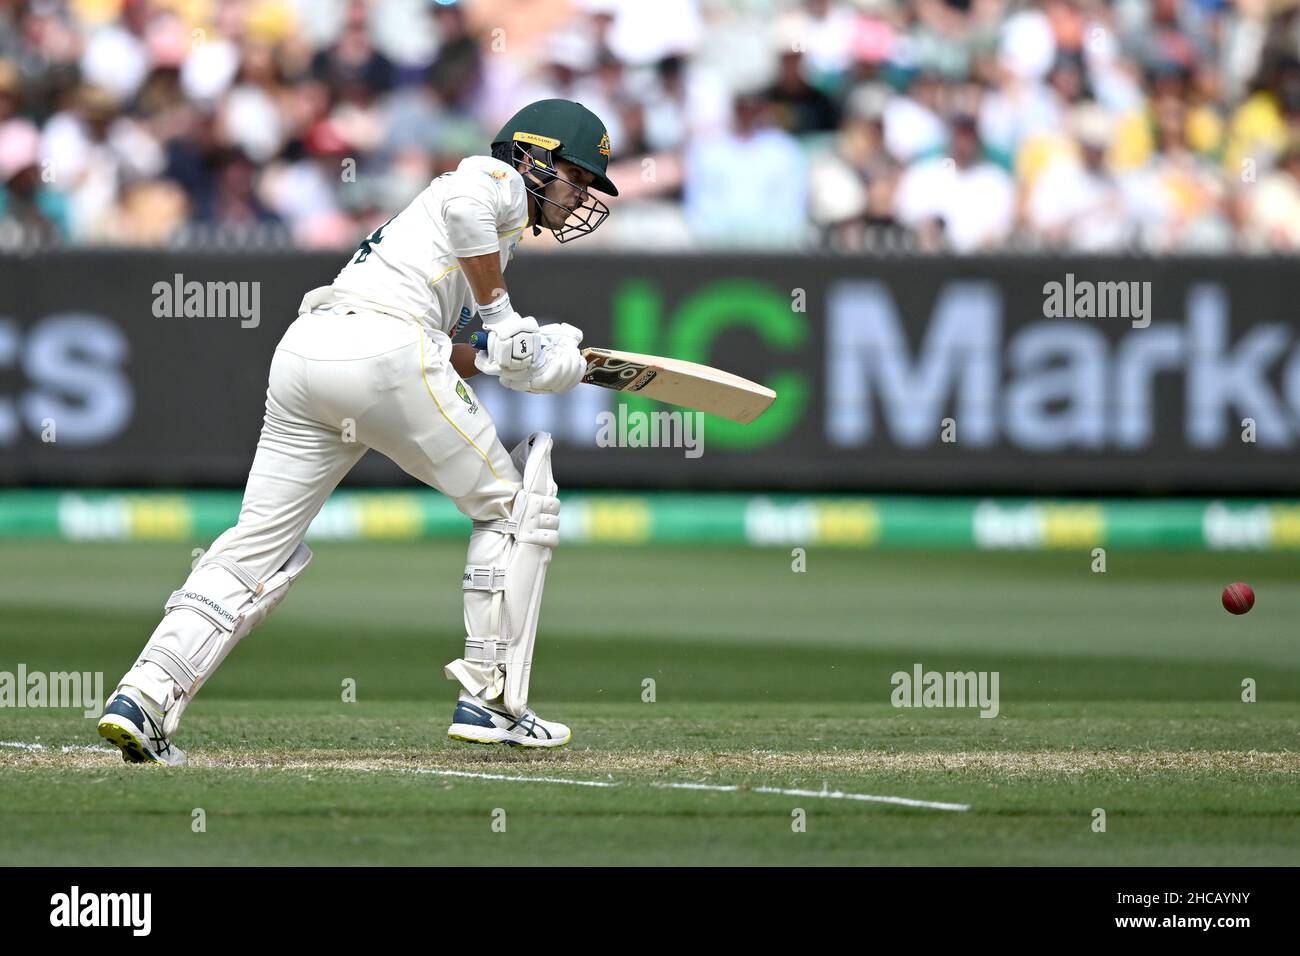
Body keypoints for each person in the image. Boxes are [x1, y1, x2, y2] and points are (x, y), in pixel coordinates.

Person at [97, 99, 619, 763]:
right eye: (577, 177)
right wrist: (507, 318)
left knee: (257, 542)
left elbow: (458, 344)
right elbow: (465, 218)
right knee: (515, 508)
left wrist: (517, 356)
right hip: (384, 351)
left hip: (310, 352)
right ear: (532, 156)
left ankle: (143, 693)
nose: (580, 198)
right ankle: (492, 702)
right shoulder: (492, 183)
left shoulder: (485, 238)